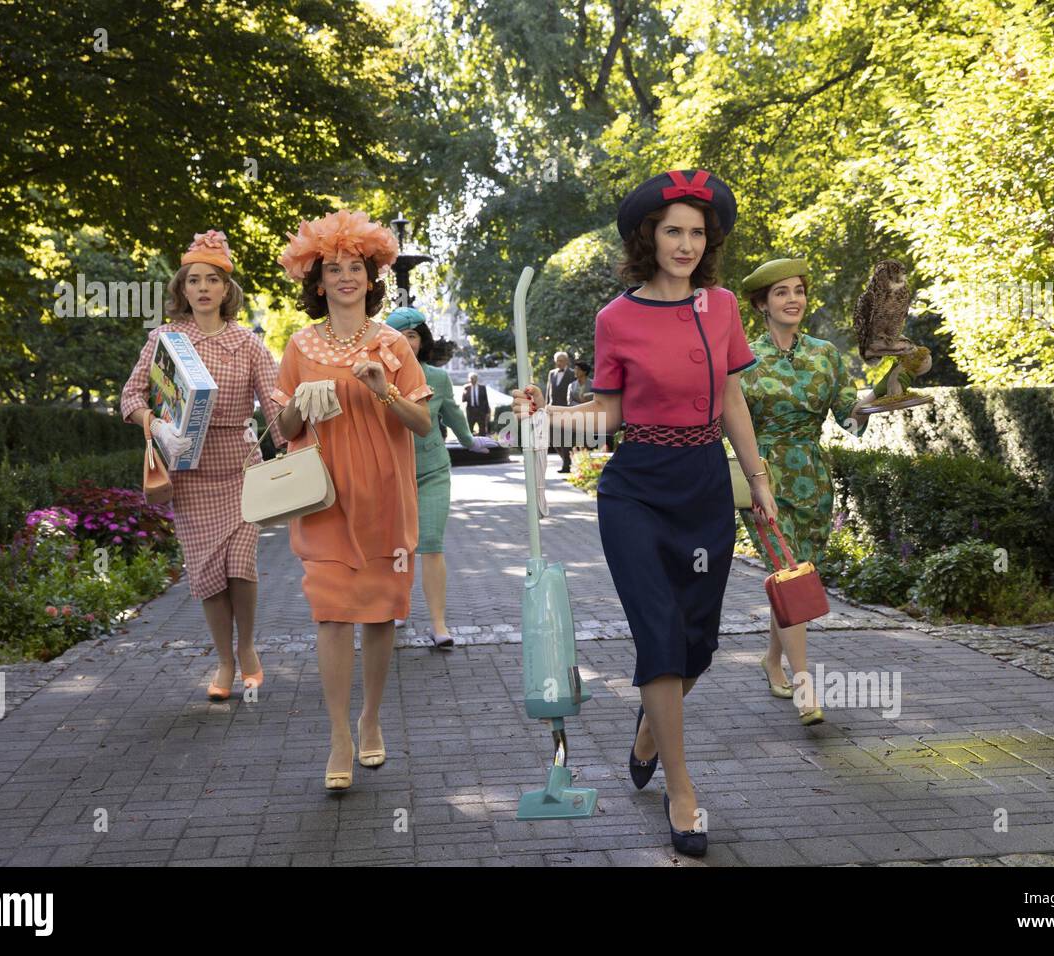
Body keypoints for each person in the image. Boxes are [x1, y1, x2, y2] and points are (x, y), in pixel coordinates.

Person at [512, 169, 775, 856]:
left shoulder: (720, 309)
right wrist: (545, 418)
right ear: (649, 238)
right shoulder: (615, 317)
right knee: (659, 634)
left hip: (704, 487)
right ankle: (682, 793)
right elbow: (606, 415)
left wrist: (760, 478)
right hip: (635, 490)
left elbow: (733, 403)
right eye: (672, 231)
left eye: (695, 232)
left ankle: (650, 727)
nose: (685, 243)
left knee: (699, 645)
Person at [271, 210, 434, 791]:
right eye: (333, 269)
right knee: (332, 613)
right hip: (323, 499)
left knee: (380, 615)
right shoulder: (298, 346)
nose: (344, 278)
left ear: (371, 278)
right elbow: (281, 425)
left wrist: (380, 389)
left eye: (355, 269)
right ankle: (339, 732)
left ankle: (371, 718)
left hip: (385, 497)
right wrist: (301, 405)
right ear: (317, 282)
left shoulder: (392, 343)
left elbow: (421, 423)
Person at [121, 230, 279, 702]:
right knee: (208, 569)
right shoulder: (164, 340)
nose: (204, 287)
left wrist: (298, 447)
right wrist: (155, 424)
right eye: (195, 280)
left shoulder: (249, 344)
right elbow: (130, 397)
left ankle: (247, 647)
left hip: (240, 464)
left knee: (240, 563)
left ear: (228, 290)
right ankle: (224, 660)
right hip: (187, 468)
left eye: (213, 279)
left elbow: (274, 405)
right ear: (183, 289)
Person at [739, 259, 875, 725]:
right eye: (781, 292)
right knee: (789, 572)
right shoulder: (741, 357)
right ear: (762, 304)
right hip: (762, 478)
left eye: (798, 290)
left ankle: (771, 660)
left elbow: (849, 416)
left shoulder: (825, 354)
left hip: (813, 477)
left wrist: (889, 390)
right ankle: (805, 687)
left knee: (797, 576)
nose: (793, 299)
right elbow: (726, 422)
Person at [386, 306, 488, 648]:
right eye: (398, 336)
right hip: (391, 476)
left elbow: (453, 414)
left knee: (430, 542)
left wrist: (471, 442)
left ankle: (438, 625)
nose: (405, 342)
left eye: (412, 336)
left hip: (432, 472)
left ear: (422, 340)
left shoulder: (438, 378)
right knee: (398, 548)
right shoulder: (376, 376)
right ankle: (398, 608)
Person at [545, 351, 575, 473]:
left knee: (565, 438)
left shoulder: (572, 374)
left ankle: (566, 465)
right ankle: (567, 461)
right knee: (553, 438)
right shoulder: (552, 373)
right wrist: (546, 406)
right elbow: (548, 391)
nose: (559, 363)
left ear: (567, 361)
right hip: (552, 410)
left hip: (566, 410)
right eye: (557, 360)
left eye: (561, 360)